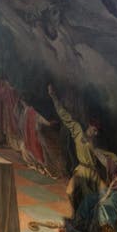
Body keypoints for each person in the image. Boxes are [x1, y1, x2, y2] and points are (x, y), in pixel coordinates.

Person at [47, 83, 106, 215]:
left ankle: (85, 221)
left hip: (92, 173)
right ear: (90, 126)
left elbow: (105, 158)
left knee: (100, 198)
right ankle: (77, 217)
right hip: (81, 170)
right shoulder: (78, 130)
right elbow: (63, 115)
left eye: (97, 132)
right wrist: (53, 96)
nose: (95, 133)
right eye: (94, 130)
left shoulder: (95, 144)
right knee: (70, 192)